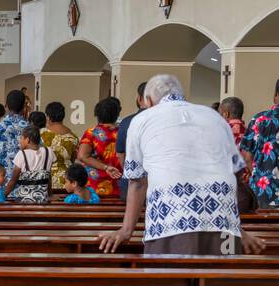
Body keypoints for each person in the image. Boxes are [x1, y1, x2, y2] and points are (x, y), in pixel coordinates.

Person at [100, 74, 265, 256]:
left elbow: (137, 181)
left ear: (147, 100)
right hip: (224, 223)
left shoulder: (142, 120)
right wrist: (237, 229)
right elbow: (234, 173)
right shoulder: (214, 117)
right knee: (221, 278)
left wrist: (126, 231)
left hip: (172, 218)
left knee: (172, 279)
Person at [241, 79, 279, 207]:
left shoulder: (259, 119)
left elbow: (247, 158)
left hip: (263, 191)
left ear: (276, 96)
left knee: (263, 226)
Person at [78, 95, 123, 198]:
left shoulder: (91, 132)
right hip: (117, 182)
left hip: (94, 184)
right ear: (117, 114)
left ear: (97, 114)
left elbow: (82, 156)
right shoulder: (124, 132)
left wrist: (105, 167)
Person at [114, 82, 150, 198]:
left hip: (131, 183)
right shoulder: (165, 122)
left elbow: (120, 154)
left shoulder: (127, 122)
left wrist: (129, 171)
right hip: (156, 182)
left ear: (139, 99)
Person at [4, 125, 53, 204]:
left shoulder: (21, 154)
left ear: (27, 140)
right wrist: (50, 195)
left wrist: (2, 196)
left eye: (21, 138)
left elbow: (13, 181)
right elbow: (48, 177)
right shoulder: (49, 152)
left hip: (24, 202)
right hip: (43, 201)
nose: (19, 141)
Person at [41, 101, 80, 192]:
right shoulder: (73, 137)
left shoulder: (41, 134)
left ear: (48, 117)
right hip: (67, 180)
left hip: (46, 179)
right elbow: (72, 159)